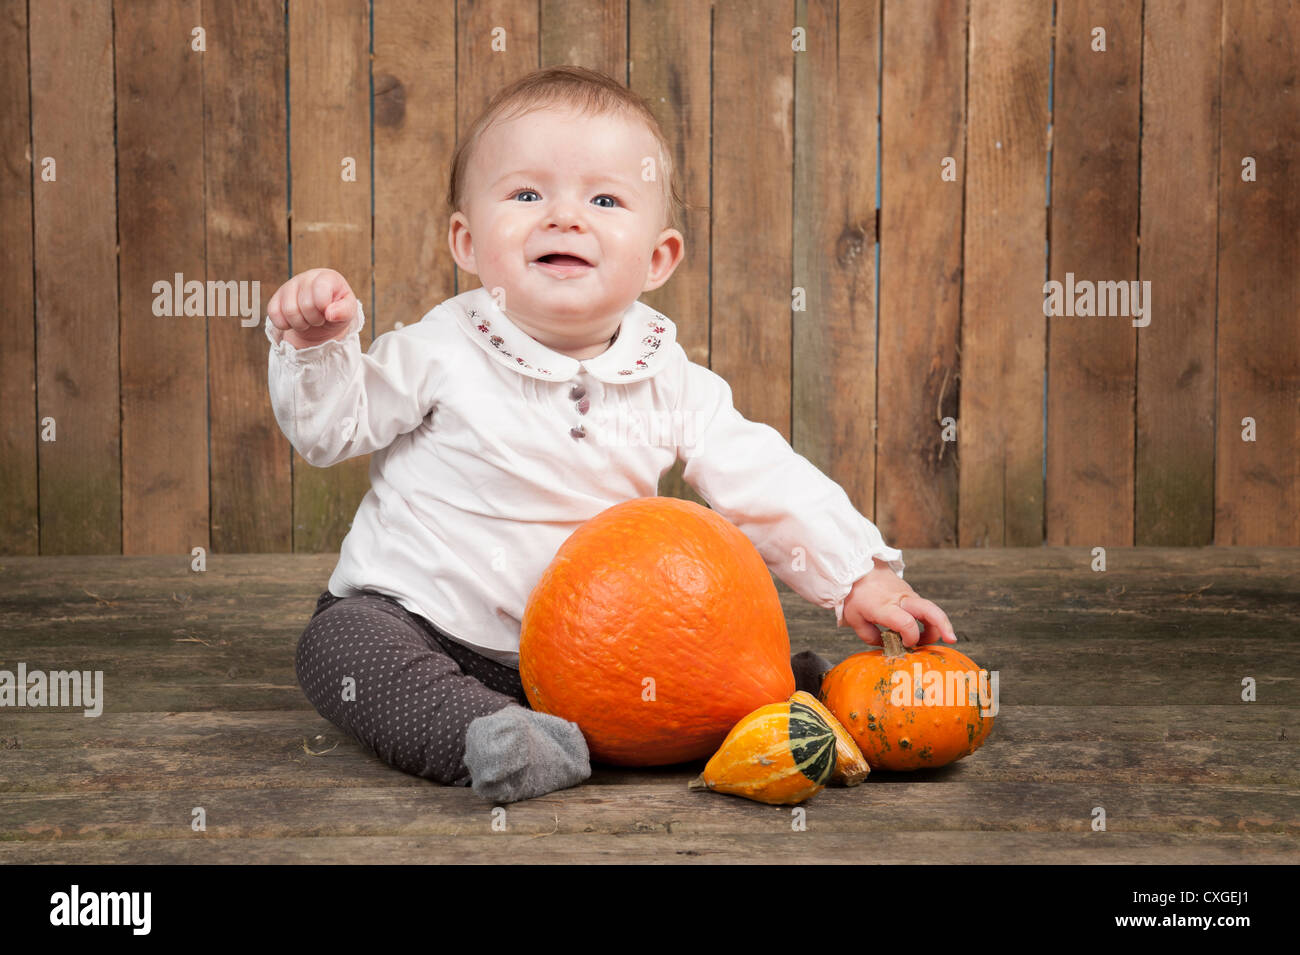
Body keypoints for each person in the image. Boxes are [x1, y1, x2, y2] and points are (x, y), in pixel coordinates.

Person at [265, 65, 956, 804]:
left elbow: (763, 478)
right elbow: (329, 430)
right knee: (338, 643)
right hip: (424, 624)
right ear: (466, 242)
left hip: (599, 655)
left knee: (687, 646)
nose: (564, 217)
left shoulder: (667, 375)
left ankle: (782, 692)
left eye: (603, 198)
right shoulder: (438, 349)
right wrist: (316, 350)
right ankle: (486, 733)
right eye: (527, 194)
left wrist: (859, 573)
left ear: (657, 258)